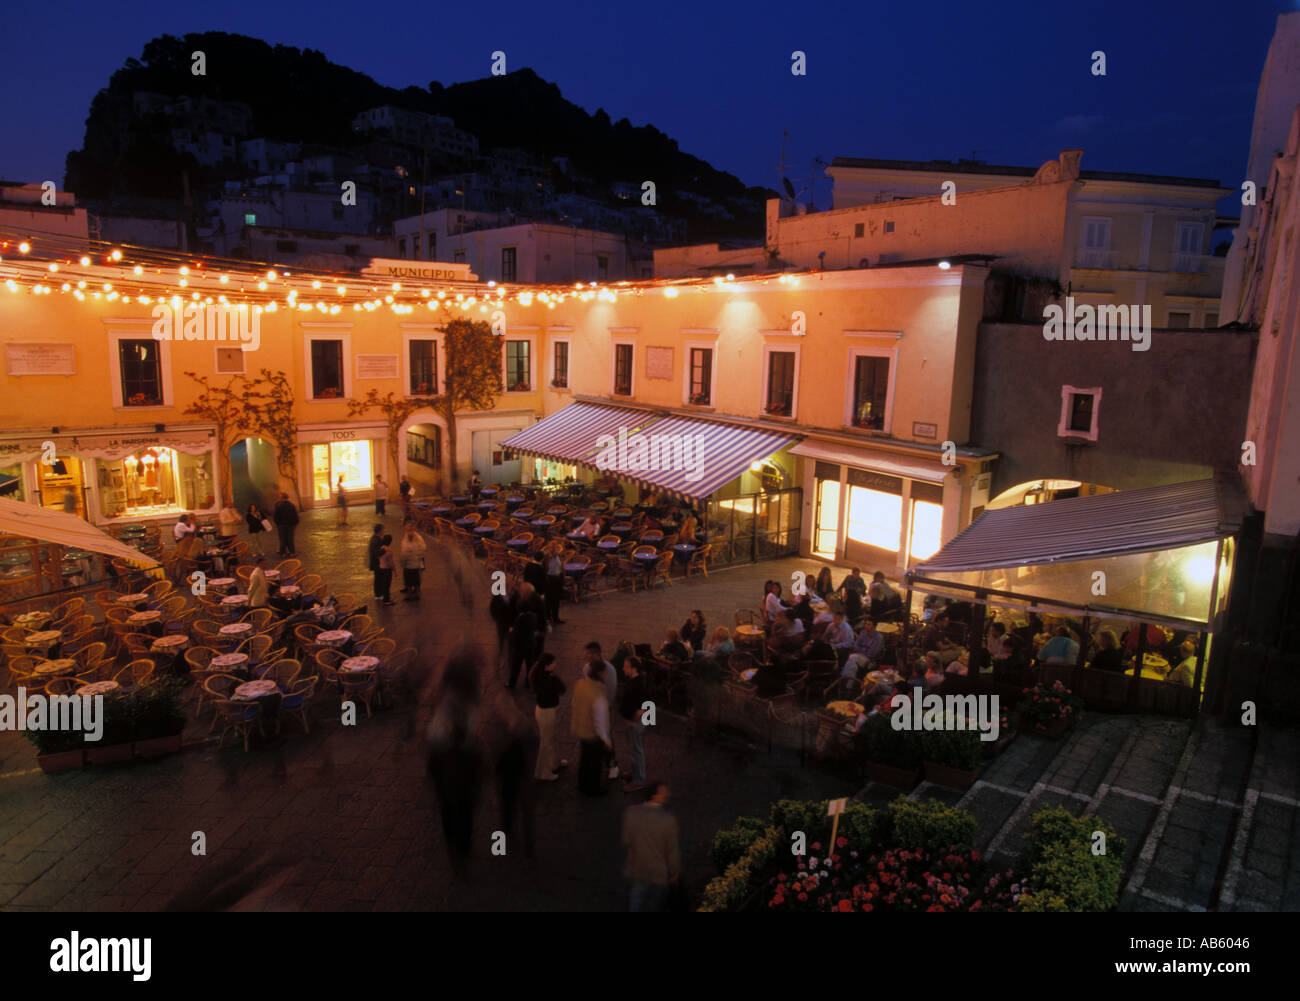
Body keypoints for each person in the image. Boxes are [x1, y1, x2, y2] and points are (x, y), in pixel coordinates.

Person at [426, 647, 482, 874]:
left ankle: (454, 849)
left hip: (447, 780)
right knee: (464, 813)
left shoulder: (443, 717)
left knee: (449, 813)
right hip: (463, 780)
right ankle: (464, 847)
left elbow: (433, 742)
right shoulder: (468, 713)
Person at [622, 781, 681, 912]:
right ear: (655, 796)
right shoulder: (668, 820)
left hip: (636, 870)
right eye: (664, 792)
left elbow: (626, 840)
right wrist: (674, 873)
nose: (667, 795)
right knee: (654, 905)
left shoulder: (631, 813)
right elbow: (671, 851)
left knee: (635, 903)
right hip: (658, 875)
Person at [572, 660, 612, 796]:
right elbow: (600, 720)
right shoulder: (598, 694)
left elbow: (575, 704)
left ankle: (582, 784)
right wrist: (606, 739)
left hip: (582, 730)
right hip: (594, 735)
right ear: (601, 673)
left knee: (584, 760)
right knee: (595, 764)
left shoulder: (580, 685)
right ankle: (593, 788)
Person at [530, 653, 567, 780]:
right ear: (546, 666)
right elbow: (562, 689)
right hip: (546, 712)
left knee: (550, 738)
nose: (555, 664)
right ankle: (542, 772)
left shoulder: (543, 676)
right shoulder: (546, 679)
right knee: (546, 741)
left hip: (544, 710)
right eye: (553, 663)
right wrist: (555, 679)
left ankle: (553, 763)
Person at [618, 657, 650, 792]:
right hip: (630, 721)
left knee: (636, 750)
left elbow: (644, 707)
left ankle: (639, 780)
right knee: (633, 749)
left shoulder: (639, 685)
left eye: (626, 666)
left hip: (634, 723)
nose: (623, 668)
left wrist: (632, 720)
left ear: (634, 668)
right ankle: (635, 772)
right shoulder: (633, 681)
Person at [507, 587, 543, 689]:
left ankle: (512, 683)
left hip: (521, 646)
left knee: (516, 666)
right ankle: (528, 682)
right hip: (531, 644)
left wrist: (511, 631)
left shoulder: (520, 619)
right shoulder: (534, 616)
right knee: (529, 665)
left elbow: (517, 633)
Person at [399, 521, 427, 600]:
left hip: (413, 563)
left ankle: (414, 593)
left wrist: (404, 560)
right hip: (413, 563)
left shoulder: (417, 538)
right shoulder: (407, 536)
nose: (406, 530)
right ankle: (413, 591)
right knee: (413, 579)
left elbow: (422, 549)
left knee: (414, 579)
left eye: (408, 529)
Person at [376, 534, 396, 606]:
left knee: (384, 585)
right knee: (387, 585)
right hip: (387, 570)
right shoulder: (389, 551)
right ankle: (386, 600)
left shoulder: (381, 548)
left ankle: (385, 598)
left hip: (381, 568)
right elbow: (391, 562)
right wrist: (394, 570)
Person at [367, 524, 385, 599]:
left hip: (376, 563)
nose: (384, 531)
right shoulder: (376, 540)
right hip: (377, 563)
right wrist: (384, 549)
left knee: (378, 579)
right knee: (378, 579)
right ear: (380, 530)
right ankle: (378, 594)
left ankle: (379, 593)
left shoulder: (375, 538)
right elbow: (376, 552)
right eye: (383, 529)